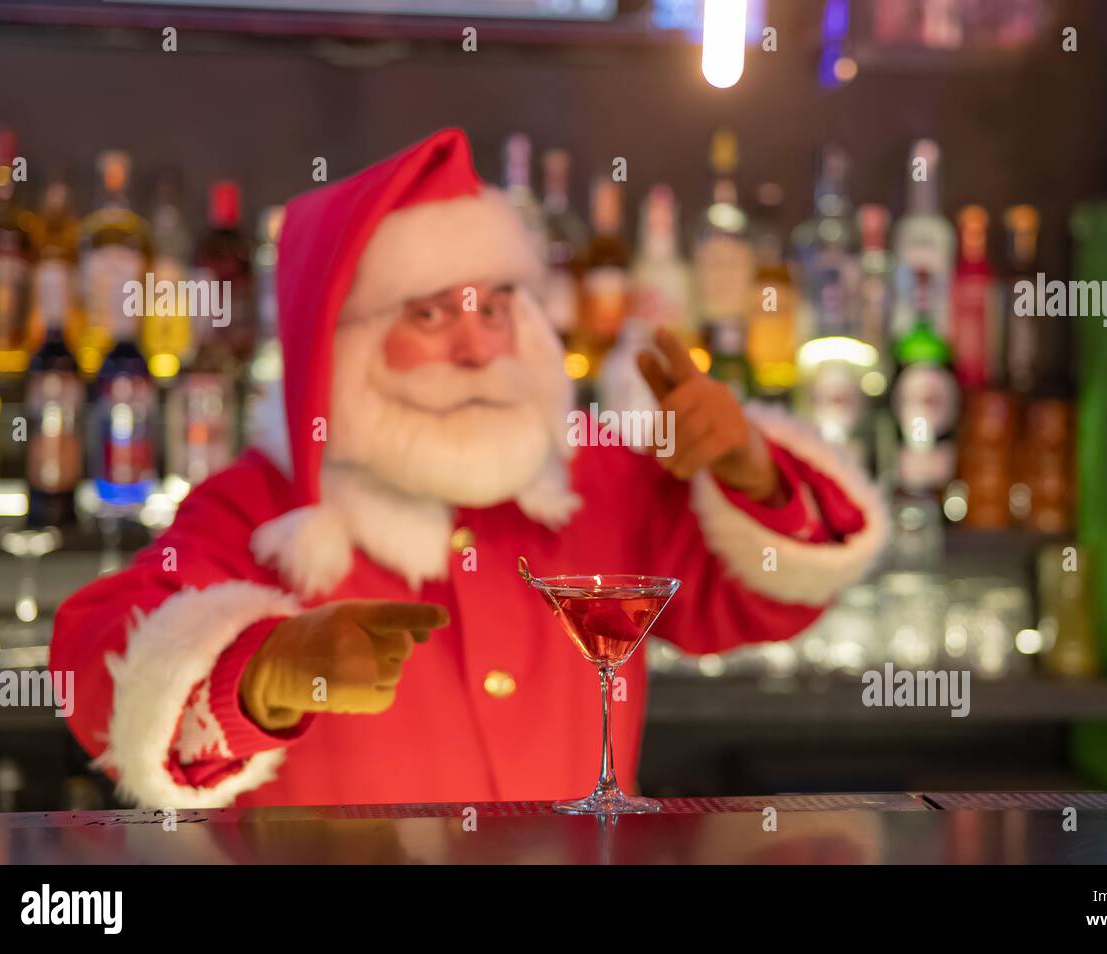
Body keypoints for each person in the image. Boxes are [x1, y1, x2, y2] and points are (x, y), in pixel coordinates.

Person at [50, 128, 887, 808]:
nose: (480, 342)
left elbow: (760, 601)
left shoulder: (594, 475)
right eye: (429, 312)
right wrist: (260, 673)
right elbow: (98, 678)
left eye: (495, 305)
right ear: (345, 343)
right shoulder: (260, 508)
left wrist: (753, 477)